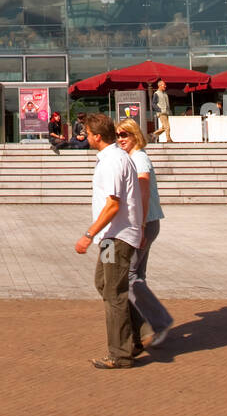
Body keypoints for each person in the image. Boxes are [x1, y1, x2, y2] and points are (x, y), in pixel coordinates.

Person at [74, 112, 143, 369]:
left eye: (88, 134)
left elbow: (114, 204)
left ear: (98, 136)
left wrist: (88, 234)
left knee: (112, 290)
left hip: (116, 236)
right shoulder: (112, 158)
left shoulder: (113, 161)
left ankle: (120, 353)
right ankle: (137, 334)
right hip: (111, 237)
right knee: (104, 283)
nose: (85, 137)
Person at [116, 118, 174, 349]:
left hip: (145, 223)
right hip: (147, 222)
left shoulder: (139, 158)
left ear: (135, 136)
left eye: (125, 135)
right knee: (137, 275)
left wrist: (138, 227)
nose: (120, 139)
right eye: (118, 135)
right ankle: (141, 330)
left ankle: (159, 322)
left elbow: (142, 192)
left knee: (129, 276)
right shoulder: (133, 157)